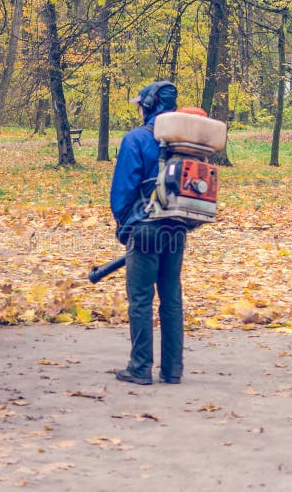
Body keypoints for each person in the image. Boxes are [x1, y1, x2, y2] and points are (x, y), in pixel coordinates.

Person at [109, 80, 188, 385]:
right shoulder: (186, 142)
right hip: (177, 227)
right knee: (171, 298)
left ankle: (140, 367)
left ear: (149, 105)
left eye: (141, 105)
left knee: (141, 298)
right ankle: (172, 369)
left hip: (144, 227)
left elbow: (123, 189)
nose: (139, 110)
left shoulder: (136, 139)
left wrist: (123, 224)